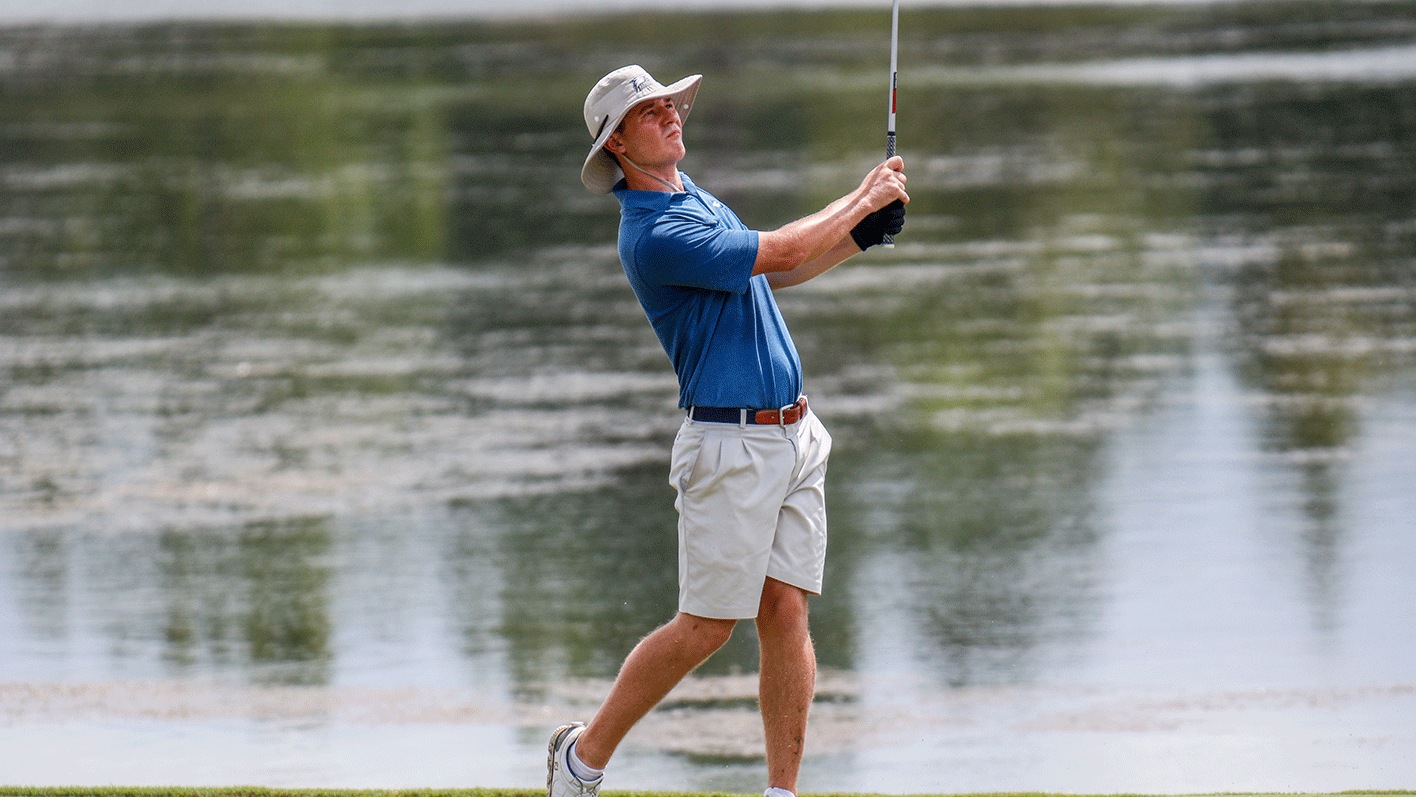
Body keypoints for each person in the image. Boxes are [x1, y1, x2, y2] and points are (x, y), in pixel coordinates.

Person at [548, 64, 908, 797]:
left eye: (670, 105)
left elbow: (777, 271)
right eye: (651, 113)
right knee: (706, 626)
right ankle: (581, 759)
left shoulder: (691, 196)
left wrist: (860, 235)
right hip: (729, 444)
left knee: (786, 610)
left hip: (795, 434)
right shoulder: (653, 232)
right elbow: (774, 249)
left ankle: (782, 791)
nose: (673, 115)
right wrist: (860, 196)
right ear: (617, 144)